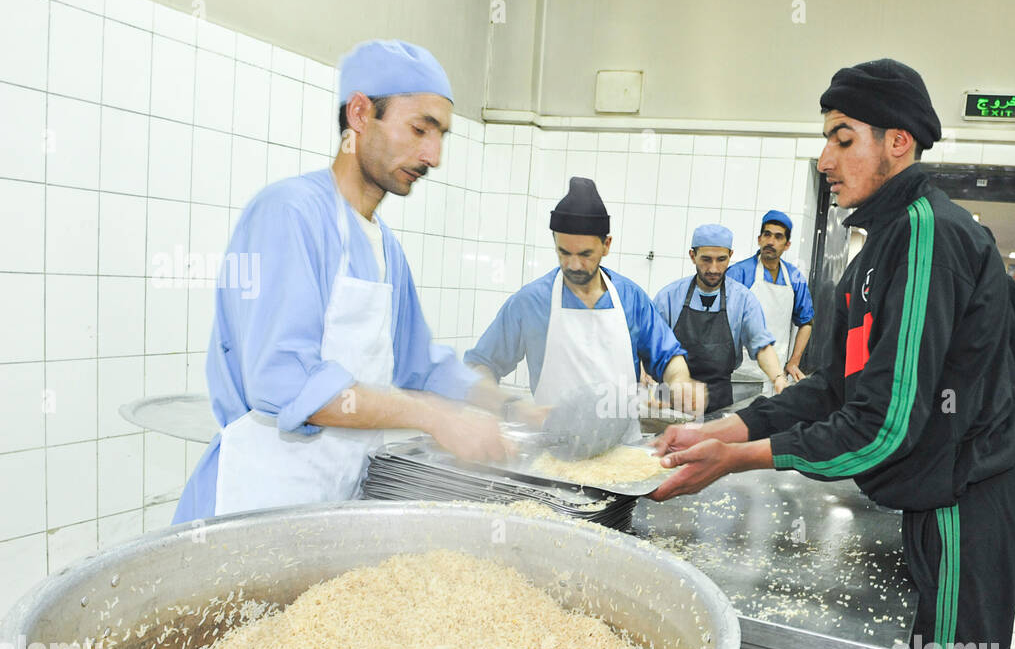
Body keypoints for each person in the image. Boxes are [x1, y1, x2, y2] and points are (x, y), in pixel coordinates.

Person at [650, 58, 1015, 649]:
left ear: (899, 142)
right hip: (930, 497)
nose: (824, 159)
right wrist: (725, 429)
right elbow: (830, 388)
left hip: (970, 506)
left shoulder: (929, 235)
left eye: (842, 138)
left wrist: (739, 462)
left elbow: (887, 425)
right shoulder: (871, 253)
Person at [174, 40, 516, 523]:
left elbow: (420, 366)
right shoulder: (288, 215)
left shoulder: (384, 246)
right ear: (359, 113)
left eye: (441, 136)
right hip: (252, 505)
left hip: (331, 504)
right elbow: (287, 382)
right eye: (420, 129)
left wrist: (513, 409)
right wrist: (435, 417)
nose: (434, 156)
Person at [466, 177, 705, 423]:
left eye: (585, 254)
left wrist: (681, 383)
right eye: (564, 253)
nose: (574, 264)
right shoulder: (531, 302)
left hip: (622, 448)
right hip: (554, 449)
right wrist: (509, 407)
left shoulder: (630, 298)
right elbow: (479, 366)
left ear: (606, 245)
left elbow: (669, 357)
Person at [652, 224, 788, 413]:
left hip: (719, 402)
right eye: (706, 260)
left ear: (730, 255)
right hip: (671, 401)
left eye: (721, 260)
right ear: (693, 256)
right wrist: (648, 383)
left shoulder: (743, 300)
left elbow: (761, 344)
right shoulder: (668, 297)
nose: (714, 268)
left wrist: (778, 378)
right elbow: (650, 348)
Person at [727, 210, 815, 385]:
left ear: (787, 244)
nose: (771, 242)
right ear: (759, 239)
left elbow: (806, 322)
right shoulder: (738, 273)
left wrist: (794, 361)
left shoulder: (795, 278)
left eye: (778, 237)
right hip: (740, 370)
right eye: (767, 235)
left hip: (778, 370)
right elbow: (722, 321)